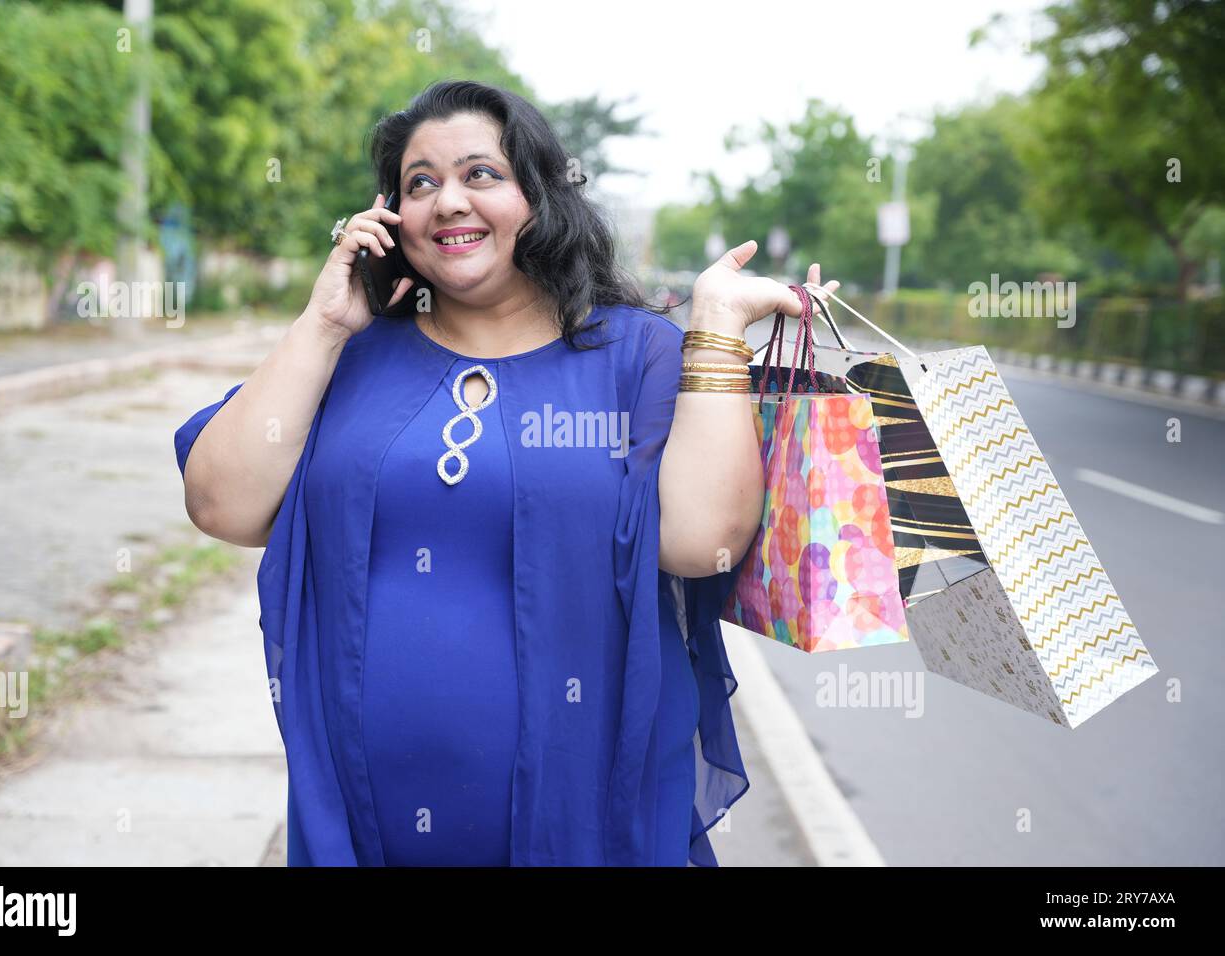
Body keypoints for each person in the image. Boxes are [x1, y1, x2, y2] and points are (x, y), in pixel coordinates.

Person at [174, 79, 839, 866]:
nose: (448, 201)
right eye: (420, 183)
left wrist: (719, 328)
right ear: (391, 218)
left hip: (583, 822)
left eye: (480, 174)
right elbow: (221, 502)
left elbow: (704, 541)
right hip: (362, 825)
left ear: (541, 195)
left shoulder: (637, 356)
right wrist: (323, 322)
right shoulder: (347, 358)